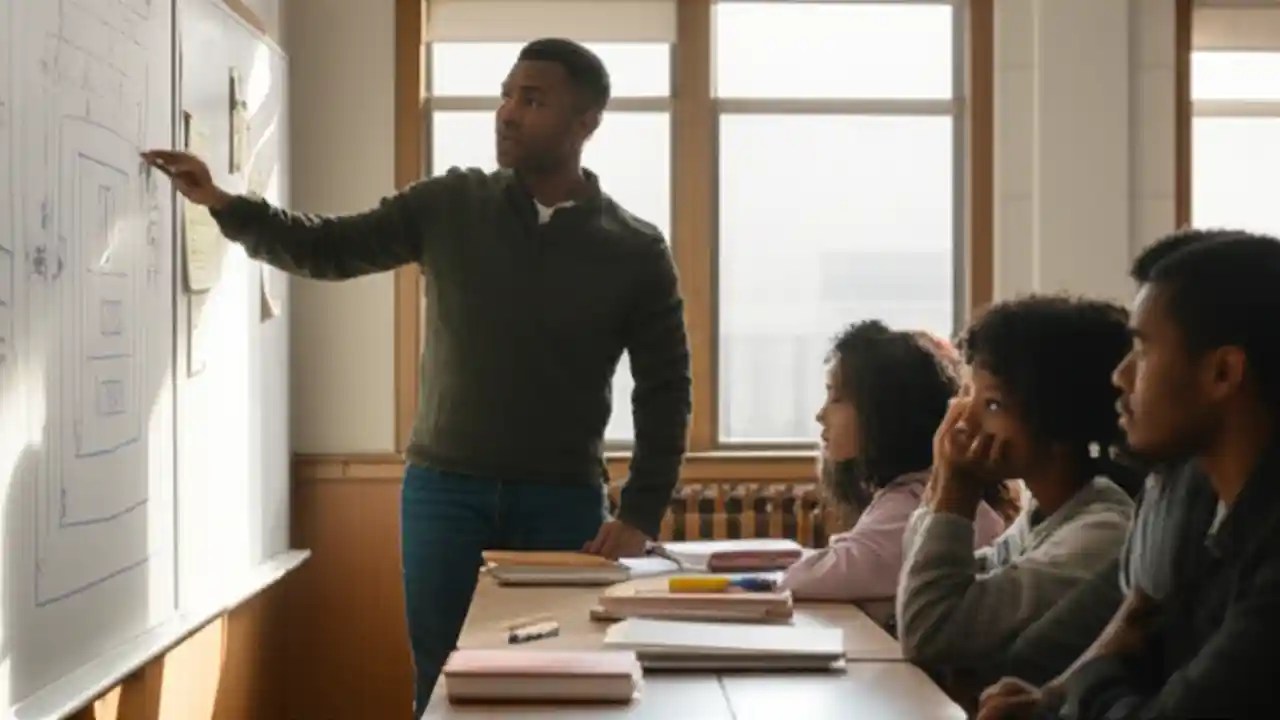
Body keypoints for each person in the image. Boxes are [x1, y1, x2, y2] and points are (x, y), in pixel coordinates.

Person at [144, 39, 691, 713]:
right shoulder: (451, 203)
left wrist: (640, 512)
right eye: (507, 94)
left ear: (586, 123)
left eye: (533, 99)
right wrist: (227, 204)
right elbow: (330, 246)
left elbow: (666, 390)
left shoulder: (634, 249)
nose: (508, 113)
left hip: (565, 501)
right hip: (445, 492)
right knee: (443, 677)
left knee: (563, 678)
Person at [978, 231, 1280, 719]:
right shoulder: (1214, 520)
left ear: (1223, 373)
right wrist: (1057, 697)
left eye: (1142, 350)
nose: (1120, 376)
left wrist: (1095, 679)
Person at [896, 295, 1138, 683]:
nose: (964, 420)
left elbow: (930, 631)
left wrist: (956, 489)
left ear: (1060, 424)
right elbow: (924, 583)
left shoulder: (1099, 534)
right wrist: (943, 480)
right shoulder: (1048, 514)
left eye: (991, 405)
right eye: (968, 395)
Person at [779, 322, 1014, 621]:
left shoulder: (914, 500)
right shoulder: (909, 490)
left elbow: (807, 579)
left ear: (884, 410)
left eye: (836, 398)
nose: (821, 415)